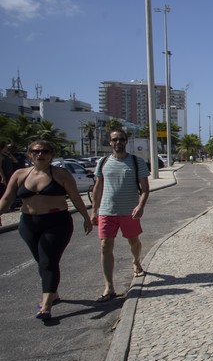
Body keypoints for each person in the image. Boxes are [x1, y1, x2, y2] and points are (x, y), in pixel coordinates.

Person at [0, 140, 93, 320]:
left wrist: (86, 218)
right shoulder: (20, 175)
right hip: (28, 224)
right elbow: (6, 199)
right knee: (41, 261)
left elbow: (75, 197)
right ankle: (54, 293)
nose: (40, 154)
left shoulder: (61, 174)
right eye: (36, 151)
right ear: (29, 154)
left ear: (51, 155)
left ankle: (46, 305)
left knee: (48, 262)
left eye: (45, 151)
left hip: (57, 223)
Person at [91, 128, 150, 302]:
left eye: (121, 139)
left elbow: (145, 188)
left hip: (129, 212)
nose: (118, 142)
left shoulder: (136, 161)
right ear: (110, 142)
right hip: (107, 211)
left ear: (126, 141)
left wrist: (140, 206)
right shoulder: (103, 162)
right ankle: (109, 286)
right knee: (105, 246)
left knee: (134, 241)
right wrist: (94, 210)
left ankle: (137, 261)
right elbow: (98, 187)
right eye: (115, 139)